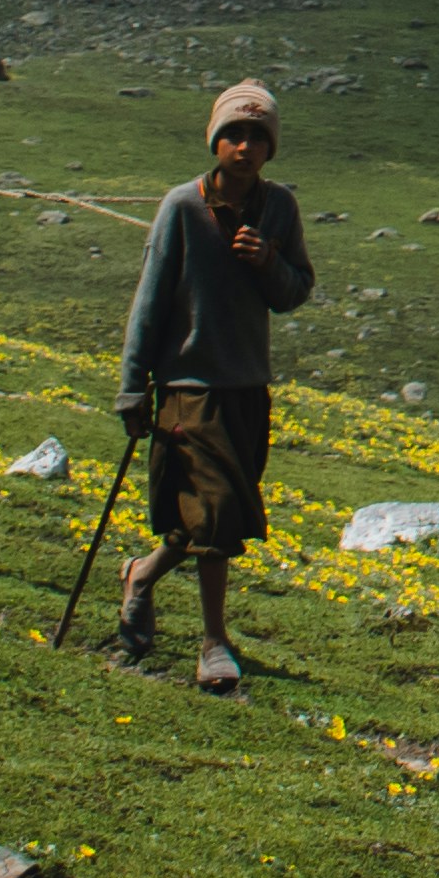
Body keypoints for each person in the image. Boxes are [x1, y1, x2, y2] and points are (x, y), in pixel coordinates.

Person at [110, 80, 314, 690]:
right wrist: (131, 386)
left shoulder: (280, 209)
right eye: (233, 134)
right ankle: (214, 644)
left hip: (248, 384)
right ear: (215, 140)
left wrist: (267, 263)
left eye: (257, 136)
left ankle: (141, 576)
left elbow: (296, 292)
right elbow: (149, 300)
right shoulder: (181, 207)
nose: (244, 146)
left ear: (271, 148)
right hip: (187, 386)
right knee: (220, 515)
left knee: (207, 516)